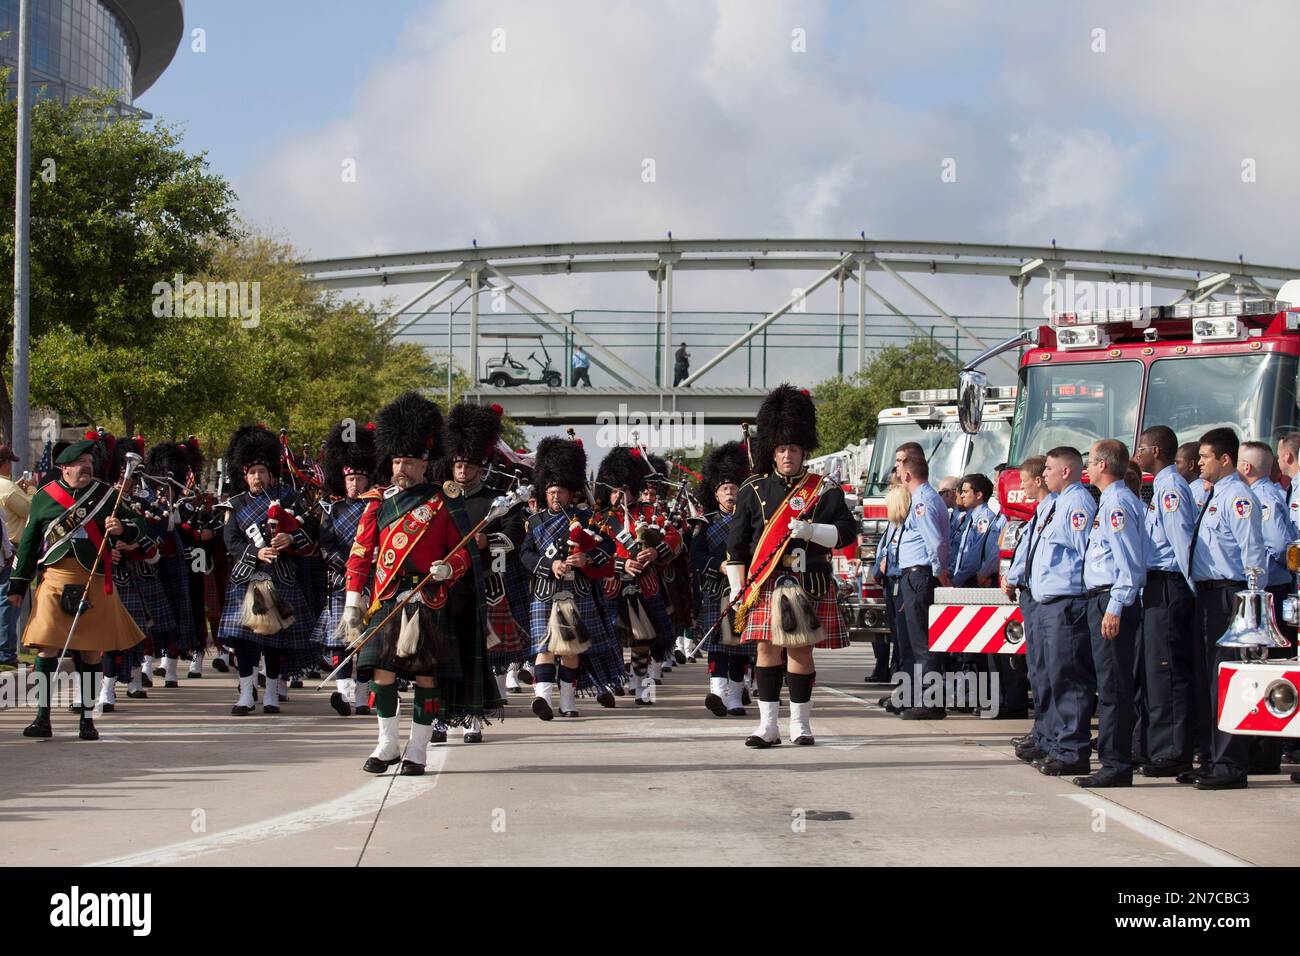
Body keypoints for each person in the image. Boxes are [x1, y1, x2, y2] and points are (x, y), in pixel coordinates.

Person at [339, 392, 474, 775]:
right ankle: (386, 743)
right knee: (382, 670)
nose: (402, 468)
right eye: (397, 461)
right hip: (386, 599)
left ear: (425, 463)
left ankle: (417, 749)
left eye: (409, 462)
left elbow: (465, 551)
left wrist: (450, 568)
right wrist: (353, 600)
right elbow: (361, 553)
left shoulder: (443, 500)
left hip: (428, 598)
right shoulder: (377, 502)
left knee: (425, 675)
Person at [725, 384, 858, 746]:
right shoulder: (752, 490)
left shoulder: (822, 488)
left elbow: (848, 532)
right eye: (782, 449)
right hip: (765, 584)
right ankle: (768, 727)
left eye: (794, 449)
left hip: (807, 580)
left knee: (800, 651)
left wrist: (812, 530)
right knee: (766, 651)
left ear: (803, 450)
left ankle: (801, 726)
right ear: (773, 450)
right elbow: (736, 546)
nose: (787, 455)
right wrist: (738, 588)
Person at [9, 438, 149, 740]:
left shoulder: (105, 495)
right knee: (48, 647)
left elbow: (140, 524)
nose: (86, 468)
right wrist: (18, 583)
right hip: (55, 577)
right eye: (79, 464)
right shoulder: (45, 497)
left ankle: (87, 719)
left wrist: (122, 529)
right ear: (64, 468)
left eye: (88, 463)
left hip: (93, 577)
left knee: (89, 651)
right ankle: (42, 718)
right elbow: (31, 542)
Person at [1183, 427, 1265, 791]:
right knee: (1207, 681)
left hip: (1228, 597)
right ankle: (1213, 758)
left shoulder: (1238, 499)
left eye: (1204, 457)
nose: (1199, 463)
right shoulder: (1214, 495)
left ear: (1225, 459)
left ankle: (1230, 764)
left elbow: (1253, 557)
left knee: (1226, 681)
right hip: (1206, 596)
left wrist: (1249, 607)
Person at [217, 425, 318, 717]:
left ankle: (272, 691)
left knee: (275, 641)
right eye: (252, 473)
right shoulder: (235, 505)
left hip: (280, 576)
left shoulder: (288, 498)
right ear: (244, 476)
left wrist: (290, 538)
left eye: (262, 471)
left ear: (270, 473)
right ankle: (247, 693)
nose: (257, 477)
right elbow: (231, 541)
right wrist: (256, 551)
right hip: (247, 576)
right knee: (246, 639)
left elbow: (311, 529)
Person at [520, 435, 624, 719]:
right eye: (551, 491)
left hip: (577, 590)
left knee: (570, 648)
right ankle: (542, 697)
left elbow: (608, 547)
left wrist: (587, 558)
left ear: (570, 492)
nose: (556, 496)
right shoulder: (535, 522)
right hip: (545, 589)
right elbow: (525, 555)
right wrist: (549, 565)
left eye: (561, 492)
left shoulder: (588, 519)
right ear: (545, 492)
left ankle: (567, 702)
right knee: (544, 645)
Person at [432, 402, 512, 742]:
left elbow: (513, 536)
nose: (462, 469)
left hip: (477, 584)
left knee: (470, 652)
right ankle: (437, 718)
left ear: (481, 466)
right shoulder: (438, 499)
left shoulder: (496, 500)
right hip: (441, 585)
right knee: (439, 654)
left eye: (468, 464)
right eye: (458, 463)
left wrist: (485, 538)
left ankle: (472, 719)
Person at [1075, 439, 1147, 788]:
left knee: (1114, 686)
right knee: (1109, 684)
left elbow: (1130, 564)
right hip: (1101, 599)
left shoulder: (1117, 502)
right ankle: (1111, 761)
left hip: (1111, 601)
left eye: (1090, 461)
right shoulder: (1110, 501)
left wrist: (1116, 606)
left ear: (1104, 465)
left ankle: (1116, 765)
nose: (1086, 467)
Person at [1131, 425, 1197, 777]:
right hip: (1156, 586)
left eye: (1141, 447)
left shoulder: (1171, 488)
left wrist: (1190, 591)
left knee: (1166, 672)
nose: (1136, 453)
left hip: (1170, 585)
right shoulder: (1161, 487)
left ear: (1155, 451)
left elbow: (1182, 541)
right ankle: (1159, 747)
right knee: (1154, 672)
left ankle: (1172, 751)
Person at [1028, 446, 1097, 776]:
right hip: (1049, 604)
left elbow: (1086, 554)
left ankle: (1072, 749)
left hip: (1068, 603)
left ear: (1067, 471)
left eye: (1051, 468)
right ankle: (1057, 742)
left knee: (1069, 678)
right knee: (1052, 675)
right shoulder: (1059, 504)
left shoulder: (1077, 504)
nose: (1045, 474)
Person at [593, 447, 677, 705]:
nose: (620, 495)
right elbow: (593, 552)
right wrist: (621, 564)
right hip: (612, 584)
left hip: (644, 584)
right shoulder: (600, 519)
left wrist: (654, 552)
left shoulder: (649, 513)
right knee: (612, 637)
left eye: (626, 489)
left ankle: (640, 683)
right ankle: (615, 678)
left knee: (642, 639)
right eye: (616, 490)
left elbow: (674, 538)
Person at [315, 419, 377, 718]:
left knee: (367, 641)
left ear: (367, 480)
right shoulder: (333, 509)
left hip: (372, 580)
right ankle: (344, 692)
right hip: (342, 581)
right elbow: (325, 544)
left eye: (360, 479)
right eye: (351, 479)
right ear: (344, 479)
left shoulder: (377, 508)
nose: (355, 484)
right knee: (341, 639)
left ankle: (363, 695)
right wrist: (345, 567)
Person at [691, 441, 754, 717]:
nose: (730, 493)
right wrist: (719, 565)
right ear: (715, 495)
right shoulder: (705, 523)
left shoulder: (751, 521)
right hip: (716, 589)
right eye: (724, 489)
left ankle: (735, 700)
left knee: (739, 646)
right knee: (718, 643)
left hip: (743, 589)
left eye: (733, 488)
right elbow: (695, 557)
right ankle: (717, 693)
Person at [892, 449, 952, 718]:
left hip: (920, 575)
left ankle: (930, 702)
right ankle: (923, 697)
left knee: (924, 643)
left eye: (899, 469)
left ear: (907, 474)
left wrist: (940, 572)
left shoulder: (922, 502)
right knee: (919, 642)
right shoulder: (921, 499)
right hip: (914, 576)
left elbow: (935, 541)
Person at [1006, 456, 1056, 764]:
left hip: (1047, 599)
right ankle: (1043, 732)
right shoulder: (1042, 512)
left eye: (1025, 480)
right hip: (1031, 593)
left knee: (1054, 674)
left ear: (1039, 480)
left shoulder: (1059, 508)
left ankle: (1055, 739)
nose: (1021, 485)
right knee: (1038, 672)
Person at [870, 482, 909, 691]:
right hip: (890, 582)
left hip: (902, 582)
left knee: (904, 637)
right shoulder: (892, 525)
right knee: (896, 634)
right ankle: (897, 679)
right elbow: (883, 551)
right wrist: (877, 571)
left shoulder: (906, 526)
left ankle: (903, 682)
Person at [0, 444, 33, 666]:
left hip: (6, 545)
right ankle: (6, 652)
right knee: (9, 600)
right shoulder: (7, 487)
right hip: (11, 548)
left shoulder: (9, 487)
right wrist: (30, 489)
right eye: (9, 461)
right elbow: (32, 508)